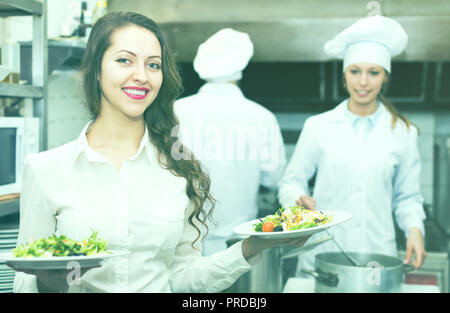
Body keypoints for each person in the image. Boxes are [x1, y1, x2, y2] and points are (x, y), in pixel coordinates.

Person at [10, 12, 308, 293]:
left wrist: (251, 247)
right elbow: (24, 283)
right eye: (125, 60)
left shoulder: (179, 169)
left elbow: (182, 277)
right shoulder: (46, 170)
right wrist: (51, 284)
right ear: (97, 70)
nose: (141, 75)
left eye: (153, 65)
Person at [278, 15, 426, 275]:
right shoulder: (318, 126)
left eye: (373, 72)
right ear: (344, 76)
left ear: (385, 77)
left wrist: (415, 229)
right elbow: (291, 182)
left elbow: (408, 197)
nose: (363, 82)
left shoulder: (404, 132)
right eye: (355, 71)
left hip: (377, 256)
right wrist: (296, 200)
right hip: (323, 252)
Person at [174, 28, 286, 256]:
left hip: (185, 246)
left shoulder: (175, 111)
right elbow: (274, 178)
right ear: (240, 68)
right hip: (240, 247)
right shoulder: (262, 117)